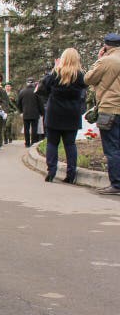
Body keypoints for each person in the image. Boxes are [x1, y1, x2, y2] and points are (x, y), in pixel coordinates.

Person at [36, 48, 86, 184]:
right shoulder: (80, 76)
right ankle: (71, 173)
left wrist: (55, 68)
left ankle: (51, 171)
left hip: (54, 113)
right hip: (72, 114)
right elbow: (84, 92)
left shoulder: (55, 74)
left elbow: (42, 88)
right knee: (70, 144)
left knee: (52, 143)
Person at [84, 33, 120, 195]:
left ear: (106, 46)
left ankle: (116, 184)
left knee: (112, 148)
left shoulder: (106, 61)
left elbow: (88, 79)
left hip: (109, 108)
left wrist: (99, 58)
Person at [17, 78, 44, 147]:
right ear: (33, 83)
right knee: (34, 128)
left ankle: (27, 143)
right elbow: (40, 103)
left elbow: (18, 103)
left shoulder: (22, 92)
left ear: (27, 83)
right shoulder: (36, 91)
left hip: (25, 113)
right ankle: (33, 142)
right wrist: (42, 112)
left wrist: (21, 112)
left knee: (26, 128)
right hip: (35, 113)